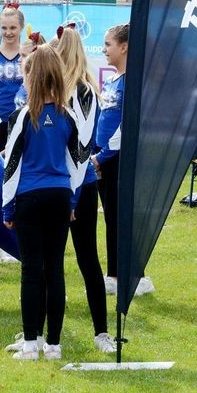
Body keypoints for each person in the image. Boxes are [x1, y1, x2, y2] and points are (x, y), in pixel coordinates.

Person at [0, 46, 80, 361]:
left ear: (31, 75)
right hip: (60, 197)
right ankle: (54, 346)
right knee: (55, 270)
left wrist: (7, 208)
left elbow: (11, 165)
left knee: (32, 270)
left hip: (31, 198)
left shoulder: (22, 116)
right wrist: (72, 198)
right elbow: (78, 162)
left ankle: (32, 344)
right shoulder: (68, 115)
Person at [51, 26, 116, 354]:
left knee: (84, 258)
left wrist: (73, 194)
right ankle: (50, 337)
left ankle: (99, 333)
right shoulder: (55, 89)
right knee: (62, 261)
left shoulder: (85, 92)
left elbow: (81, 147)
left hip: (75, 186)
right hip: (61, 186)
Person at [90, 23, 154, 297]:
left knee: (121, 218)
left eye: (108, 44)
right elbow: (104, 120)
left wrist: (103, 156)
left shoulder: (132, 81)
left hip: (119, 159)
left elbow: (126, 126)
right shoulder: (113, 79)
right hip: (104, 159)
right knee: (112, 219)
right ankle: (116, 274)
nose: (104, 50)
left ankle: (131, 275)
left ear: (124, 46)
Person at [0, 6, 24, 148]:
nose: (8, 32)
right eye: (4, 28)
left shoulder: (30, 56)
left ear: (21, 27)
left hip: (23, 122)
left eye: (13, 28)